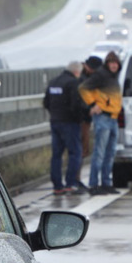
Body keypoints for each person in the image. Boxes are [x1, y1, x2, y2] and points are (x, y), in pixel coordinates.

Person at [79, 51, 122, 195]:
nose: (114, 65)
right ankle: (93, 184)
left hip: (113, 118)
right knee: (100, 152)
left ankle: (106, 182)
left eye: (115, 63)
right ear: (107, 64)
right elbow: (83, 88)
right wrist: (93, 105)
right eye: (111, 63)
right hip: (103, 117)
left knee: (110, 154)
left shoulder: (113, 77)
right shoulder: (101, 75)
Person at [43, 60, 88, 195]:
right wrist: (79, 118)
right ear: (76, 72)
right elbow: (76, 104)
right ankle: (70, 183)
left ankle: (57, 186)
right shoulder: (73, 83)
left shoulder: (53, 82)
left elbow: (46, 102)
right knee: (75, 153)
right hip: (70, 123)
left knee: (56, 154)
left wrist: (55, 114)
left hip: (55, 122)